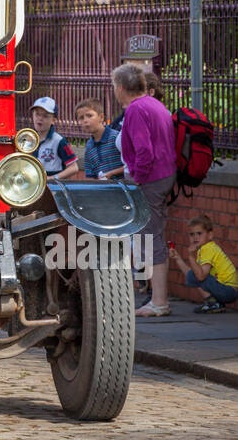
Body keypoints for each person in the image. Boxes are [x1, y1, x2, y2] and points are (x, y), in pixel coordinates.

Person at [111, 62, 177, 317]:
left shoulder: (136, 109)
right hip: (162, 176)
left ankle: (159, 301)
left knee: (151, 238)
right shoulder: (153, 104)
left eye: (114, 86)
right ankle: (158, 299)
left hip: (150, 180)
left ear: (121, 87)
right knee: (153, 236)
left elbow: (144, 151)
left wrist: (137, 177)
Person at [169, 214, 238, 313]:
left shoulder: (208, 249)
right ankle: (215, 303)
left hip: (228, 291)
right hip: (227, 290)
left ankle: (213, 303)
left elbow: (200, 277)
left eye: (199, 233)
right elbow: (192, 274)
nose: (195, 237)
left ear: (210, 235)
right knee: (194, 274)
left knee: (196, 275)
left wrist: (191, 257)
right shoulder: (205, 249)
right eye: (191, 234)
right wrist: (178, 258)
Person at [31, 96, 78, 180]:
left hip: (52, 185)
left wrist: (53, 178)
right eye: (37, 114)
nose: (40, 118)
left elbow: (74, 167)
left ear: (53, 120)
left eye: (45, 116)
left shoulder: (58, 141)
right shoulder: (28, 139)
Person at [76, 97, 124, 180]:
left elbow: (131, 166)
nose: (85, 120)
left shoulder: (116, 137)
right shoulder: (89, 146)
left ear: (101, 117)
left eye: (89, 116)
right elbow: (90, 176)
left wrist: (112, 173)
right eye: (81, 118)